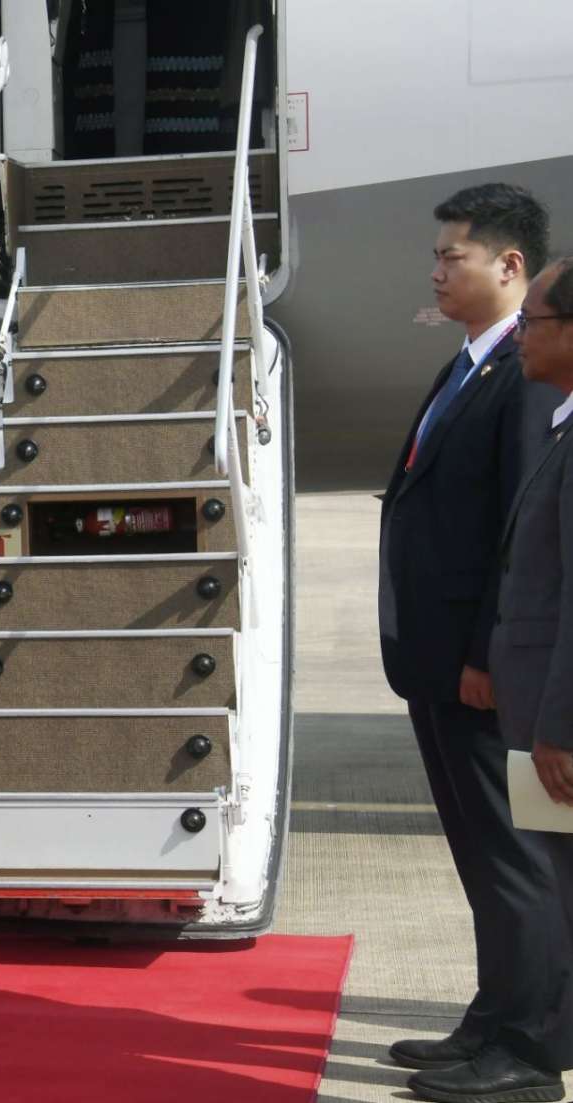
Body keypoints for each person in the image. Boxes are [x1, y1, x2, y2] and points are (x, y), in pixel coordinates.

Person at [376, 184, 572, 1094]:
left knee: (517, 859)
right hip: (437, 663)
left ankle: (529, 1046)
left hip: (483, 670)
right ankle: (496, 1013)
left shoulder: (528, 381)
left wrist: (488, 656)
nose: (437, 270)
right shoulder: (470, 365)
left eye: (453, 255)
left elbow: (523, 541)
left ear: (510, 265)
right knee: (480, 855)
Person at [477, 256, 573, 1103]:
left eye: (536, 322)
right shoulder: (564, 426)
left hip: (559, 722)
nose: (522, 339)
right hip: (543, 704)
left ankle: (539, 1060)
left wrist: (559, 726)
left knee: (560, 892)